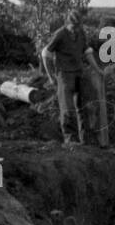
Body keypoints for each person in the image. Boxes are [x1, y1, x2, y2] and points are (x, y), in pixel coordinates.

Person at [41, 9, 103, 147]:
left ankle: (86, 140)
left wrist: (97, 69)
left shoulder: (81, 33)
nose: (76, 29)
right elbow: (46, 54)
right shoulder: (60, 34)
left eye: (78, 26)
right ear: (68, 23)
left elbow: (86, 52)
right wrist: (51, 76)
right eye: (74, 26)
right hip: (64, 75)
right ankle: (70, 140)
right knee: (67, 109)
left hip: (79, 73)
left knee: (84, 107)